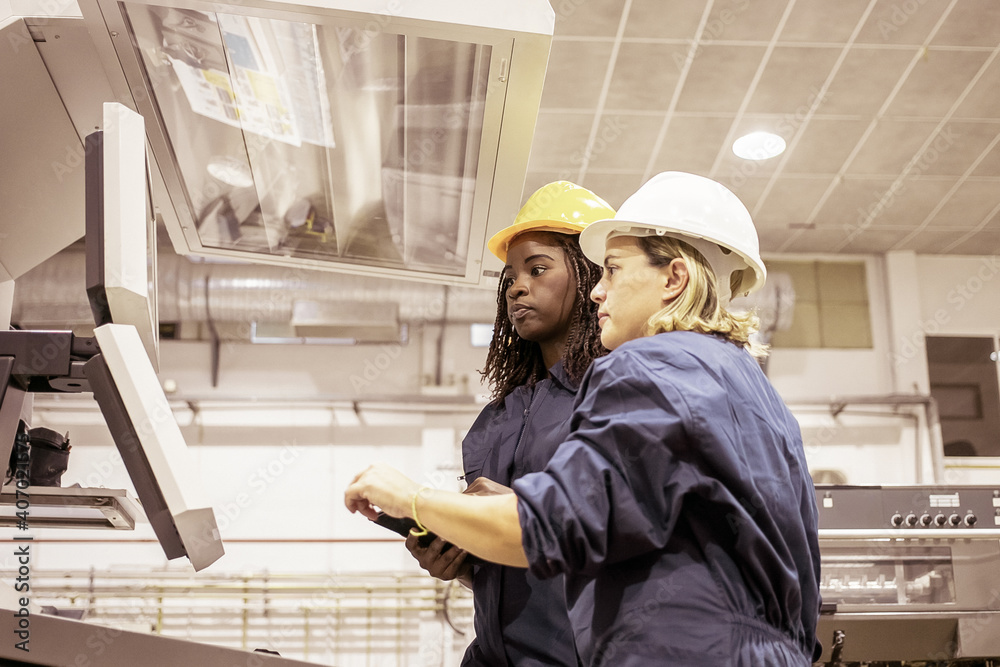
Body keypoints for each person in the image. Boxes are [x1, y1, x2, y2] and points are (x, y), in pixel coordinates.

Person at [346, 172, 822, 666]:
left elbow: (546, 529)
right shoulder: (752, 389)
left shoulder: (651, 369)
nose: (599, 290)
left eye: (612, 270)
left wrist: (413, 499)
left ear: (674, 278)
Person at [404, 181, 613, 666]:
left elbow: (632, 543)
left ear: (593, 277)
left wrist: (527, 516)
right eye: (511, 277)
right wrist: (457, 560)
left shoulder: (616, 399)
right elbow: (516, 573)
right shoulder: (493, 421)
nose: (517, 286)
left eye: (538, 269)